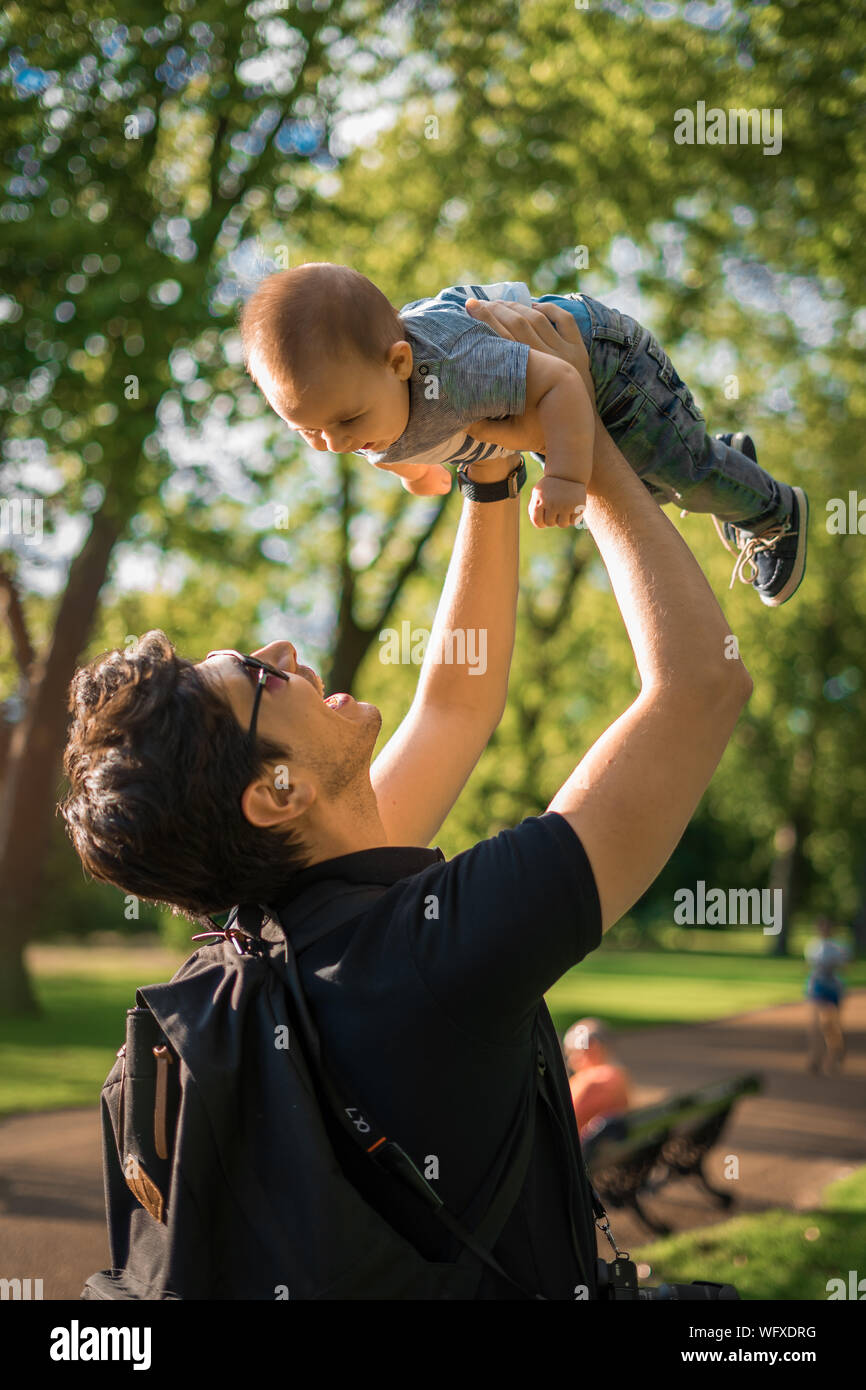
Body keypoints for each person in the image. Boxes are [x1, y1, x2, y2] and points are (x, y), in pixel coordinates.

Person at [60, 296, 752, 1300]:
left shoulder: (257, 951)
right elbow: (699, 685)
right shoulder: (444, 949)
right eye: (258, 675)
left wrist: (486, 476)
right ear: (274, 793)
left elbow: (455, 703)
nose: (284, 650)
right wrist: (584, 438)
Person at [238, 263, 808, 606]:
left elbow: (561, 380)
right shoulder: (365, 410)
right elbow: (394, 452)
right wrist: (420, 474)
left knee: (677, 473)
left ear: (401, 363)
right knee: (649, 489)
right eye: (306, 431)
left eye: (344, 423)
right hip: (538, 399)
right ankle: (722, 463)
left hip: (601, 364)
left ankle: (774, 511)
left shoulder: (458, 369)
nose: (334, 442)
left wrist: (564, 475)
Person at [563, 1018, 632, 1142]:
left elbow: (563, 1119)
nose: (570, 1060)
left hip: (578, 1152)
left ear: (594, 1047)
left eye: (573, 1052)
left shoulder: (591, 1080)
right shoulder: (619, 1075)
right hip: (605, 1149)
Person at [804, 916, 850, 1075]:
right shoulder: (813, 946)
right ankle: (815, 1057)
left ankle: (835, 1053)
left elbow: (846, 966)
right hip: (817, 987)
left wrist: (834, 965)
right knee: (816, 1024)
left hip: (832, 988)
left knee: (830, 1024)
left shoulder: (838, 947)